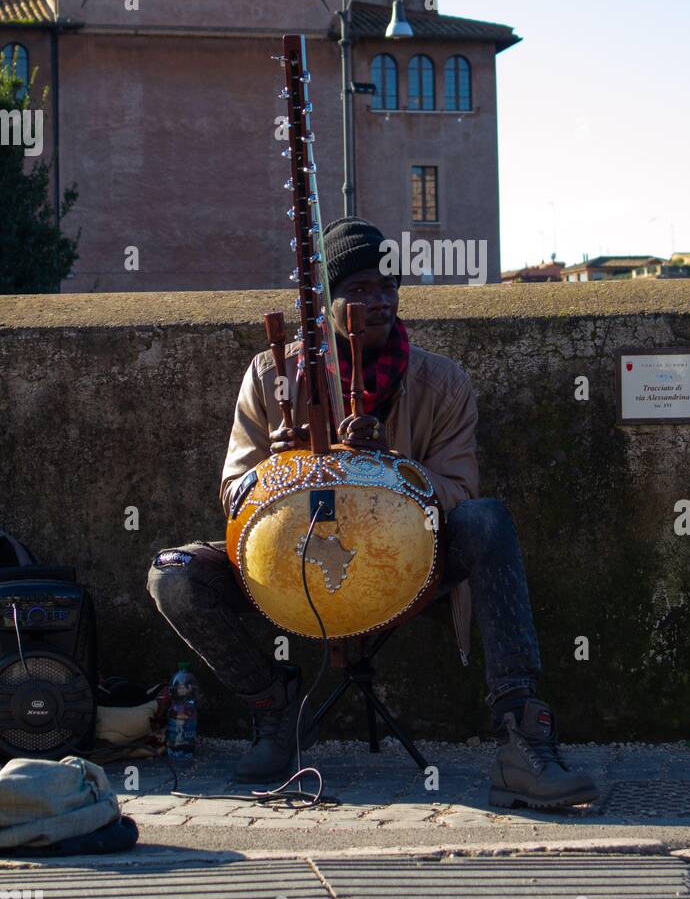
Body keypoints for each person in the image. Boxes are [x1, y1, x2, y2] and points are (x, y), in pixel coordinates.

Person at [147, 218, 598, 809]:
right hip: (290, 562)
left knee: (487, 520)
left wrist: (388, 470)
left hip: (408, 563)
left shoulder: (444, 381)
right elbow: (234, 490)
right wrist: (278, 472)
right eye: (358, 288)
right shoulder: (270, 374)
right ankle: (273, 707)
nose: (377, 301)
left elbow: (460, 489)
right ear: (326, 301)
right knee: (172, 574)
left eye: (388, 287)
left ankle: (521, 737)